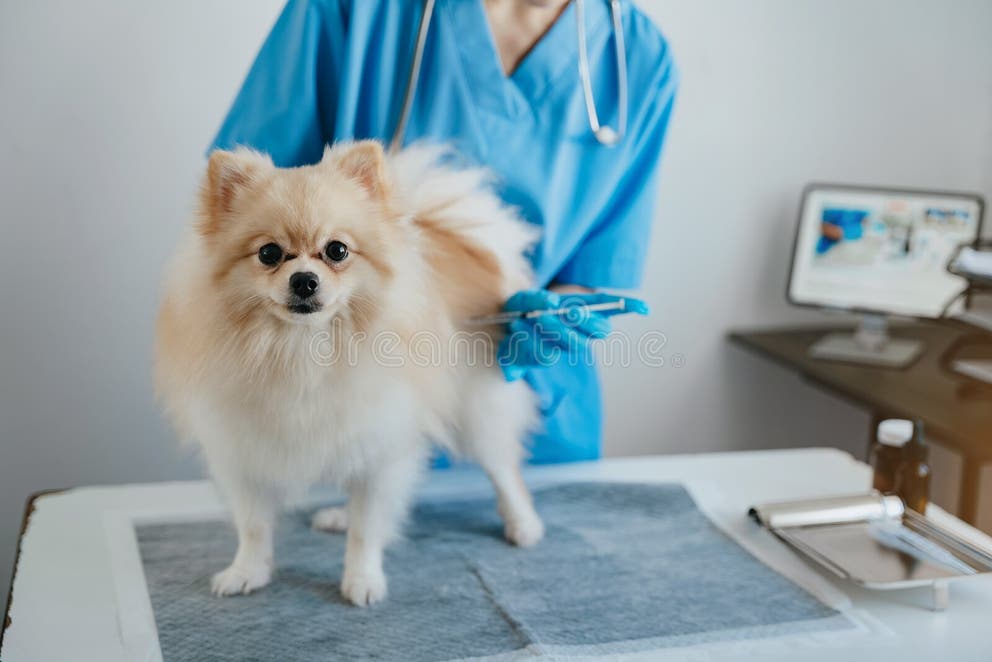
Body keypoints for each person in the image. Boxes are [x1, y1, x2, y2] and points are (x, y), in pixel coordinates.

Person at [211, 0, 678, 464]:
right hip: (350, 414)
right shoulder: (349, 12)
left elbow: (594, 262)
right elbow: (246, 220)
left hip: (534, 414)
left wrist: (559, 318)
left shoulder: (637, 55)